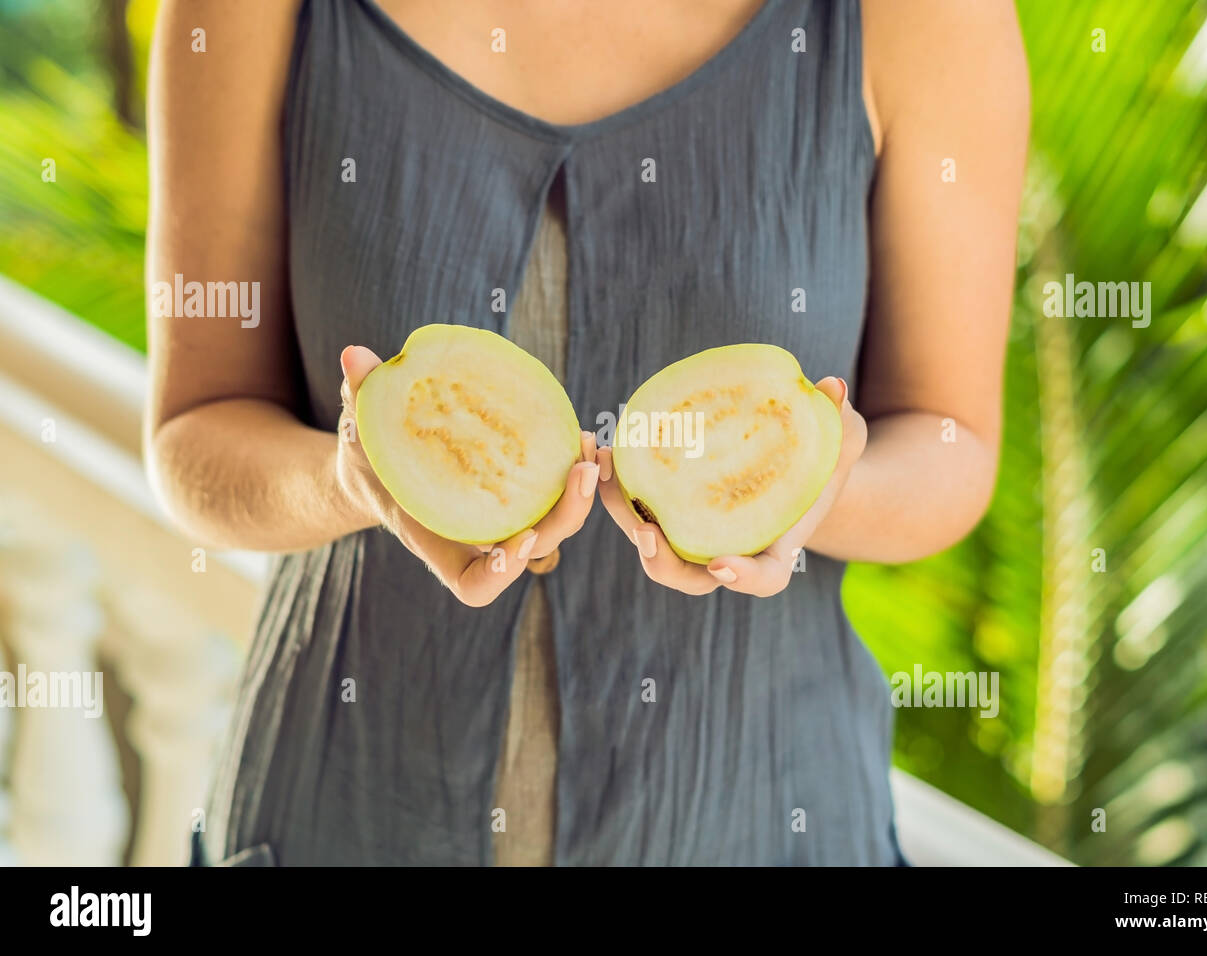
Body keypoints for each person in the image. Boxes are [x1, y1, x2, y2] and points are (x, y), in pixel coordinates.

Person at [147, 0, 1028, 865]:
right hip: (332, 821)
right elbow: (195, 428)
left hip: (764, 818)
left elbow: (951, 440)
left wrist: (810, 488)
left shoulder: (930, 16)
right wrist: (345, 485)